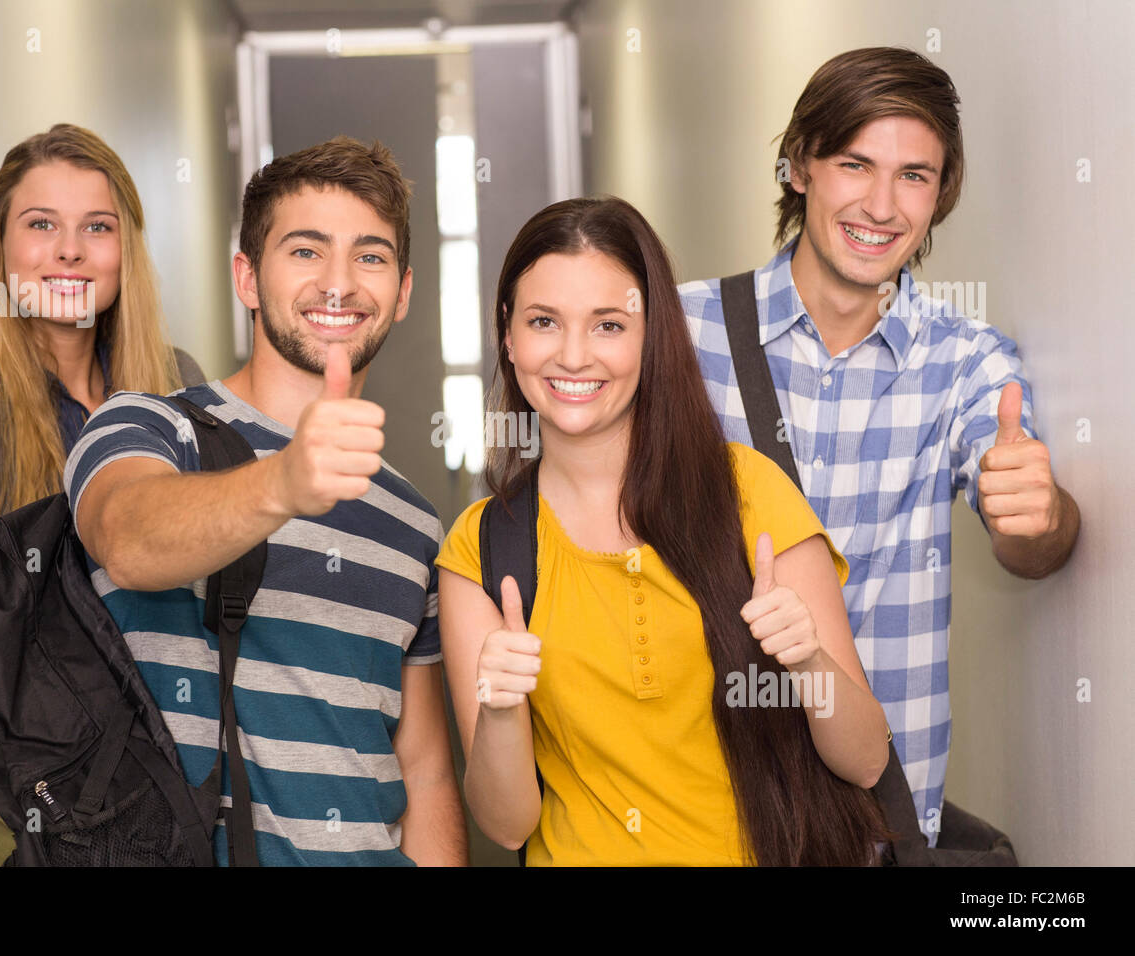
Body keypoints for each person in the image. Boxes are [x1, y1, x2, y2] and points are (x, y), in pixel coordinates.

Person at [678, 47, 1081, 846]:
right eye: (855, 163)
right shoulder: (683, 336)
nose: (882, 205)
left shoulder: (969, 364)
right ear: (799, 167)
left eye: (915, 176)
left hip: (880, 821)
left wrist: (1039, 517)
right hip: (699, 803)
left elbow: (1032, 547)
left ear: (941, 195)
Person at [435, 196, 891, 865]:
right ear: (509, 335)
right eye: (543, 322)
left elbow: (867, 761)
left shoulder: (751, 493)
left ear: (653, 336)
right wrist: (501, 711)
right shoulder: (481, 549)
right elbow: (506, 825)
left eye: (609, 325)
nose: (573, 356)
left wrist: (806, 661)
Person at [65, 136, 468, 866]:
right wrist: (285, 483)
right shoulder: (147, 425)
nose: (340, 284)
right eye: (306, 252)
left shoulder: (415, 524)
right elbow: (125, 536)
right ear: (247, 278)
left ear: (404, 293)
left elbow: (426, 771)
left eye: (370, 256)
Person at [0, 123, 203, 585]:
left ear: (127, 248)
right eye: (41, 224)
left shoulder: (177, 375)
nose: (69, 250)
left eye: (97, 227)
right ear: (1, 240)